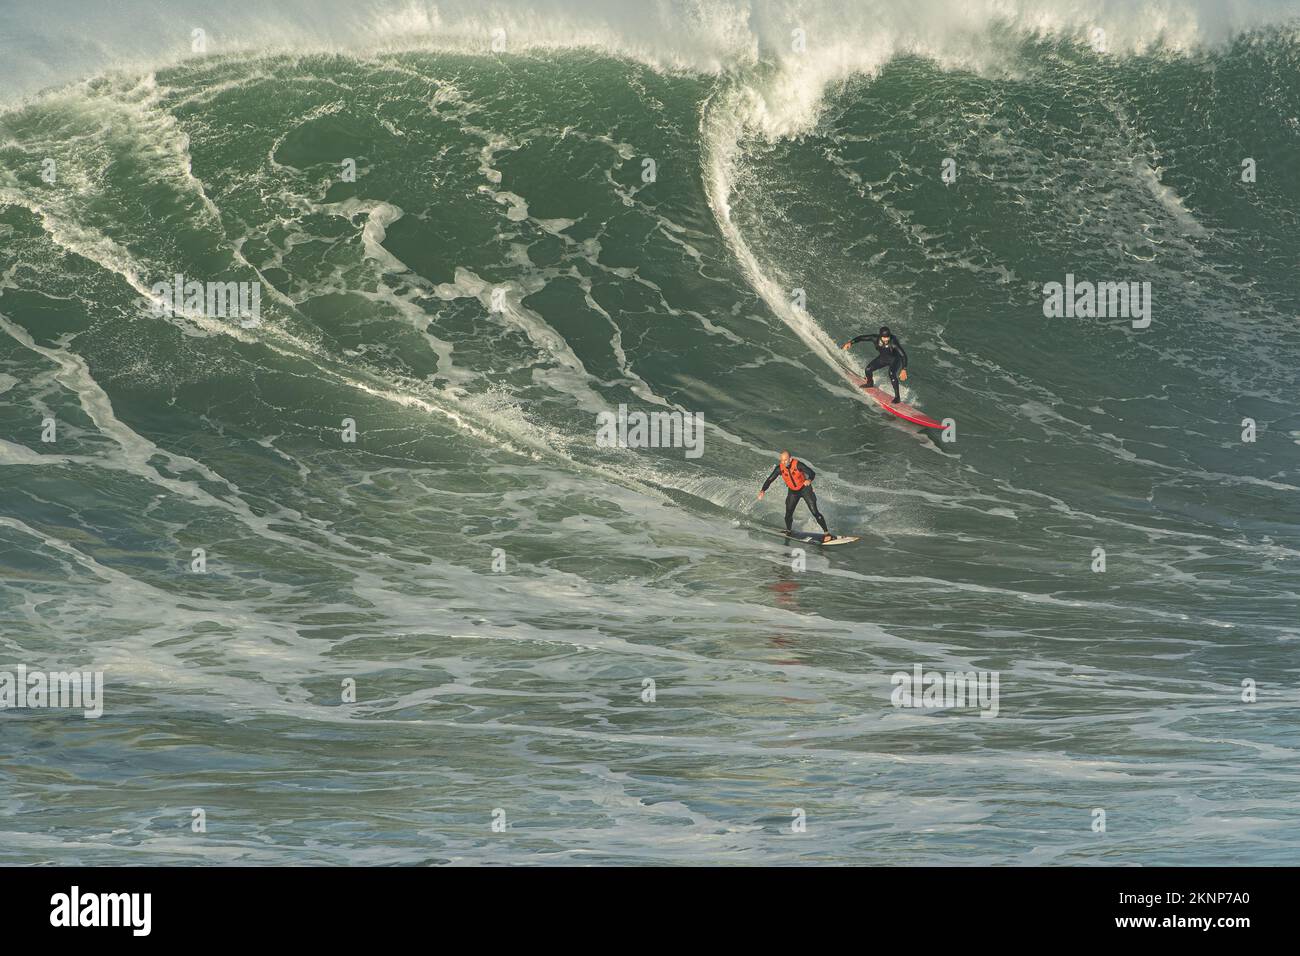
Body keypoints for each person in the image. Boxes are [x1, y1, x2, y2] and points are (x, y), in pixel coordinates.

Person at [758, 450, 833, 543]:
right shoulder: (779, 468)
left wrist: (809, 480)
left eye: (785, 460)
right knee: (788, 515)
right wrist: (763, 490)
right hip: (793, 492)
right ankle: (789, 531)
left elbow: (812, 473)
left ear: (790, 459)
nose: (783, 462)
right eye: (781, 460)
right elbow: (770, 479)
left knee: (815, 512)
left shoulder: (798, 465)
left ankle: (827, 533)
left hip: (805, 489)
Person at [842, 325, 908, 403]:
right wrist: (850, 342)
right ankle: (870, 383)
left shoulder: (893, 342)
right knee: (868, 369)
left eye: (888, 337)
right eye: (884, 337)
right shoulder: (875, 338)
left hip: (895, 359)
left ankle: (897, 397)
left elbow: (903, 355)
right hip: (883, 358)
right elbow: (861, 338)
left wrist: (904, 369)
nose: (886, 339)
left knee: (891, 373)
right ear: (880, 336)